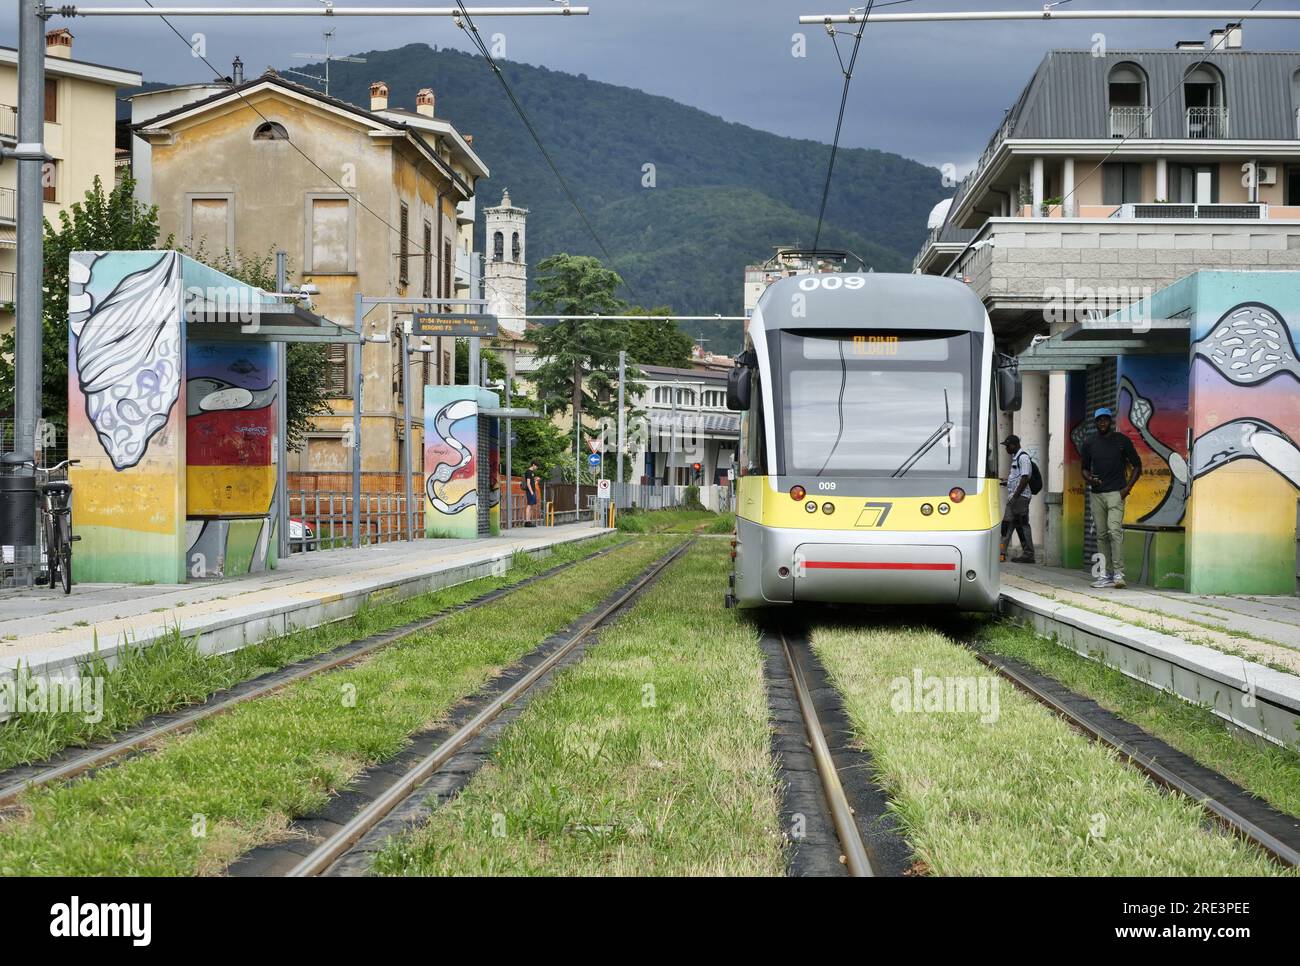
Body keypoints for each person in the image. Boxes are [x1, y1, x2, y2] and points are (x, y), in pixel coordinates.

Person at [1080, 407, 1141, 589]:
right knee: (1101, 535)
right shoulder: (1089, 443)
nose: (1102, 423)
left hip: (1116, 493)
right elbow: (1084, 468)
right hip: (1097, 495)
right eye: (1099, 420)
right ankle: (1104, 575)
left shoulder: (1122, 441)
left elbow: (1137, 466)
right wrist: (1089, 478)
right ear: (1095, 423)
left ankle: (1119, 573)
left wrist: (1127, 488)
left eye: (1105, 420)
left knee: (1114, 531)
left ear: (1111, 421)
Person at [1000, 435, 1034, 563]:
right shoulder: (1016, 458)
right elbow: (1018, 477)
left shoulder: (1023, 457)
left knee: (1020, 525)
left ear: (1013, 445)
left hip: (1020, 498)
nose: (1006, 449)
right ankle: (1001, 553)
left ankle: (1028, 554)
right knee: (1009, 526)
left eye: (1007, 446)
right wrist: (1006, 482)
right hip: (1015, 497)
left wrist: (1015, 497)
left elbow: (1025, 478)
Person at [523, 460, 539, 527]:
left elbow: (532, 483)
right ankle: (527, 521)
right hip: (530, 491)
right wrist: (531, 492)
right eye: (536, 466)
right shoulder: (529, 472)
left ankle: (529, 521)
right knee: (529, 505)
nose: (536, 468)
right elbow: (528, 483)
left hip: (533, 490)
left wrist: (536, 480)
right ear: (533, 465)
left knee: (531, 505)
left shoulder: (532, 472)